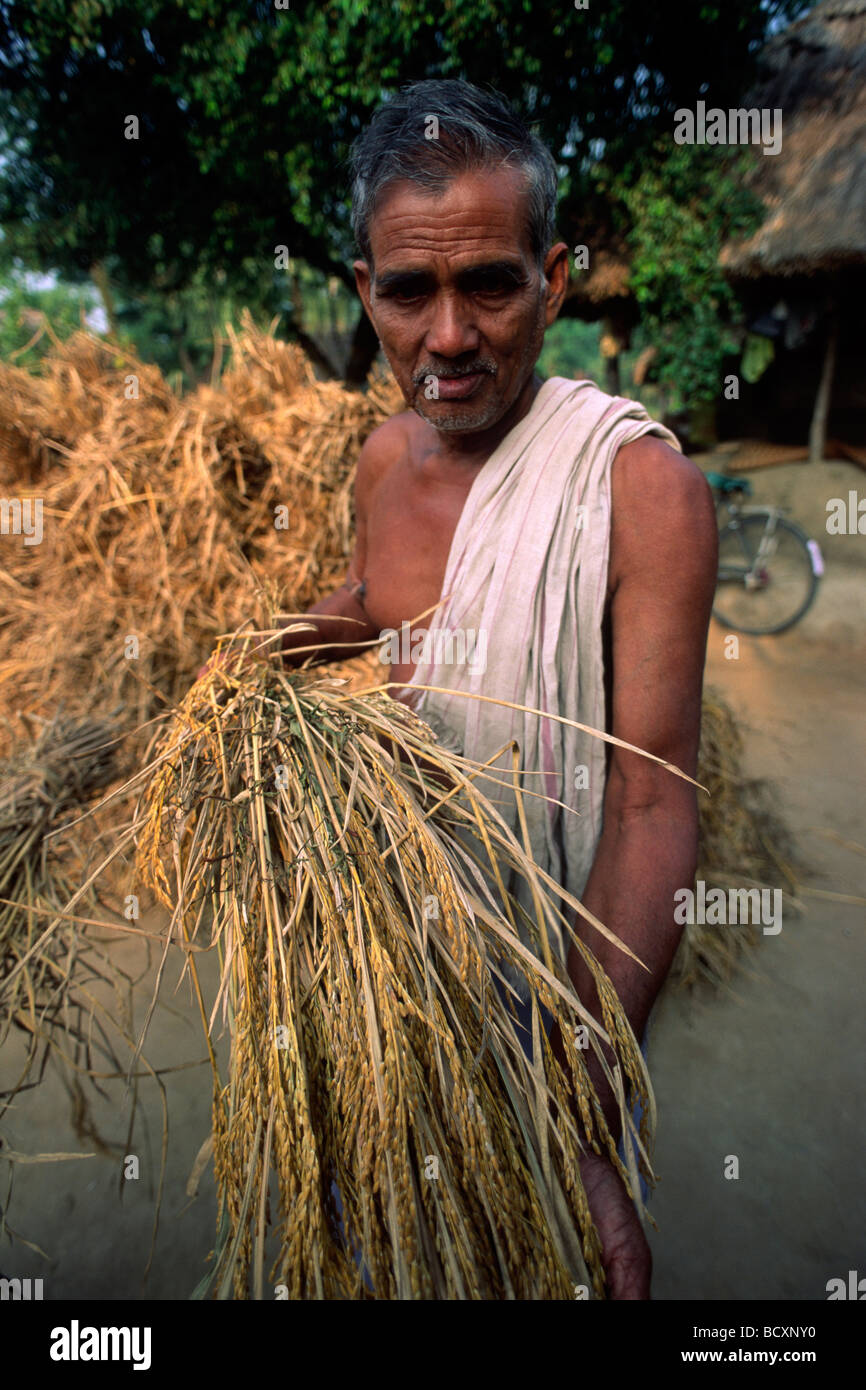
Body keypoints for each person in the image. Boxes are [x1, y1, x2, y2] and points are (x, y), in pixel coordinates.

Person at [204, 78, 718, 1299]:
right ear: (365, 290)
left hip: (544, 995)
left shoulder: (639, 492)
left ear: (550, 280)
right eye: (407, 290)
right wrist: (281, 649)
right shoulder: (382, 457)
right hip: (383, 982)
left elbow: (648, 812)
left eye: (487, 282)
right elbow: (372, 607)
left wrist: (577, 1097)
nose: (446, 335)